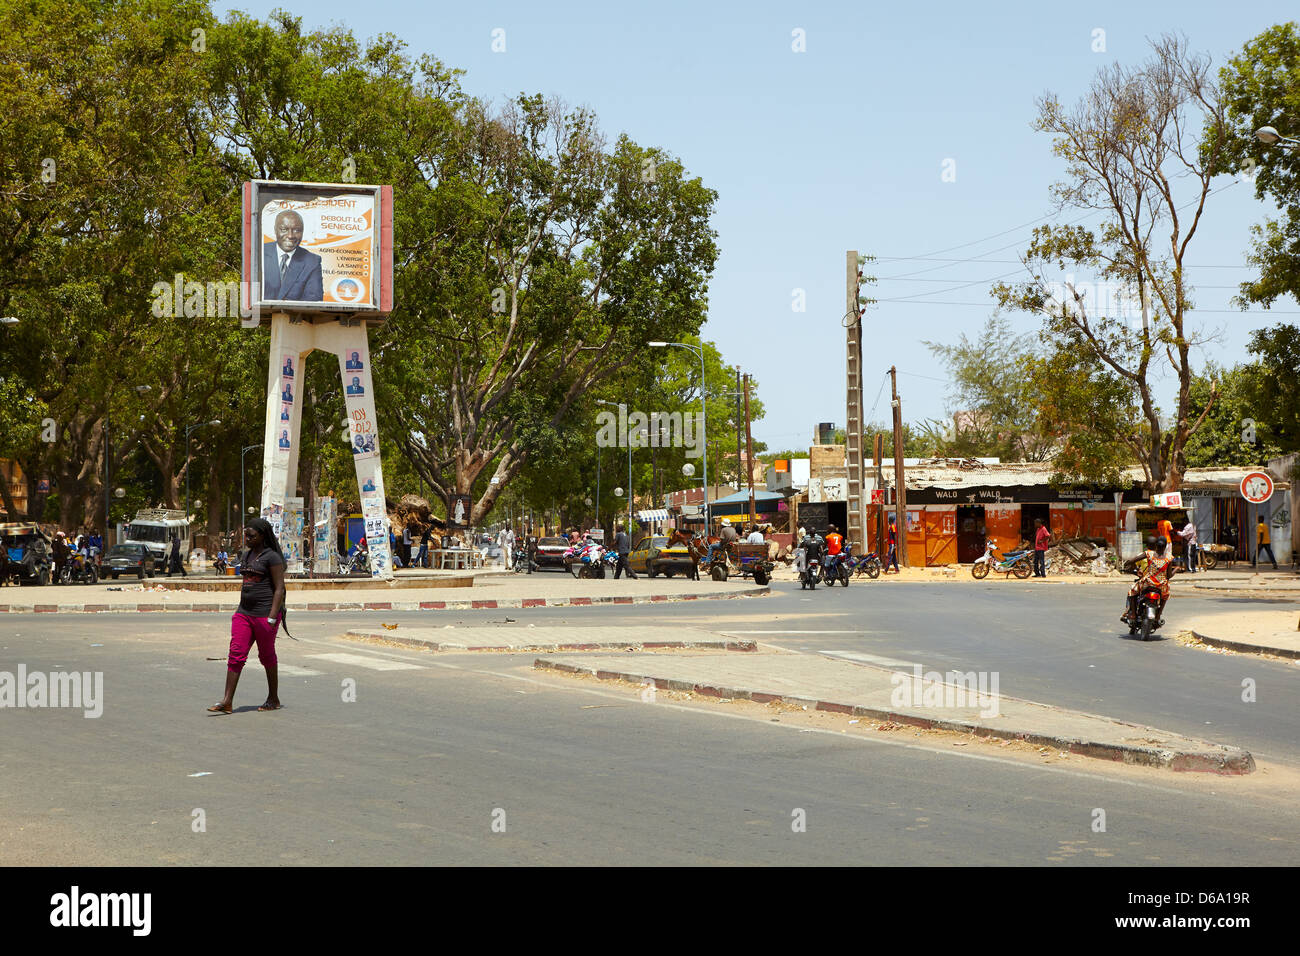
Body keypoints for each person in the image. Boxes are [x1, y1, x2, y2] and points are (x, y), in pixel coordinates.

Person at [209, 518, 287, 713]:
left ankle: (273, 698)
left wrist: (272, 617)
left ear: (262, 536)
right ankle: (227, 701)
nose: (248, 539)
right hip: (243, 613)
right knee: (236, 654)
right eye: (246, 535)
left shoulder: (272, 558)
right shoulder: (247, 555)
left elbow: (280, 589)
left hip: (265, 614)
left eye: (252, 536)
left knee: (266, 656)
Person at [261, 209, 324, 302]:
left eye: (296, 230)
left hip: (296, 316)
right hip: (261, 315)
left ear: (303, 232)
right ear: (275, 230)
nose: (290, 236)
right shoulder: (259, 253)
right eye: (284, 229)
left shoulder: (312, 261)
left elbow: (313, 300)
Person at [1122, 536, 1174, 628]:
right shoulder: (1169, 557)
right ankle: (1158, 616)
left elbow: (1134, 560)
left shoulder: (1149, 554)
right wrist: (1176, 570)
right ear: (1166, 546)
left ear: (1156, 545)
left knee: (1132, 592)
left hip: (1148, 583)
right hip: (1161, 585)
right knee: (1165, 596)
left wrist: (1127, 563)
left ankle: (1133, 614)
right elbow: (1169, 576)